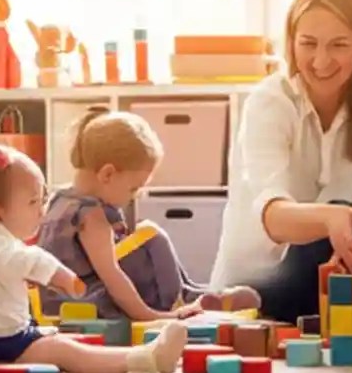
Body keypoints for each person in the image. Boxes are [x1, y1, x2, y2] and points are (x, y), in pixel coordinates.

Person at [210, 0, 352, 323]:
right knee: (337, 215)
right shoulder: (270, 102)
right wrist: (332, 219)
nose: (321, 61)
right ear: (291, 42)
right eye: (308, 43)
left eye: (339, 45)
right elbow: (274, 217)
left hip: (342, 261)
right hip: (262, 277)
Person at [0, 140, 189, 373]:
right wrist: (63, 278)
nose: (42, 210)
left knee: (54, 340)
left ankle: (131, 356)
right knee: (63, 351)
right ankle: (146, 359)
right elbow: (27, 260)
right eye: (34, 202)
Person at [36, 109, 260, 321]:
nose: (135, 197)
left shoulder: (59, 199)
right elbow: (112, 276)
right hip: (87, 300)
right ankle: (178, 301)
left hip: (61, 296)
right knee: (152, 236)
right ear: (107, 174)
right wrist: (147, 316)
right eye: (133, 188)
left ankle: (191, 294)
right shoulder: (91, 216)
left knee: (144, 235)